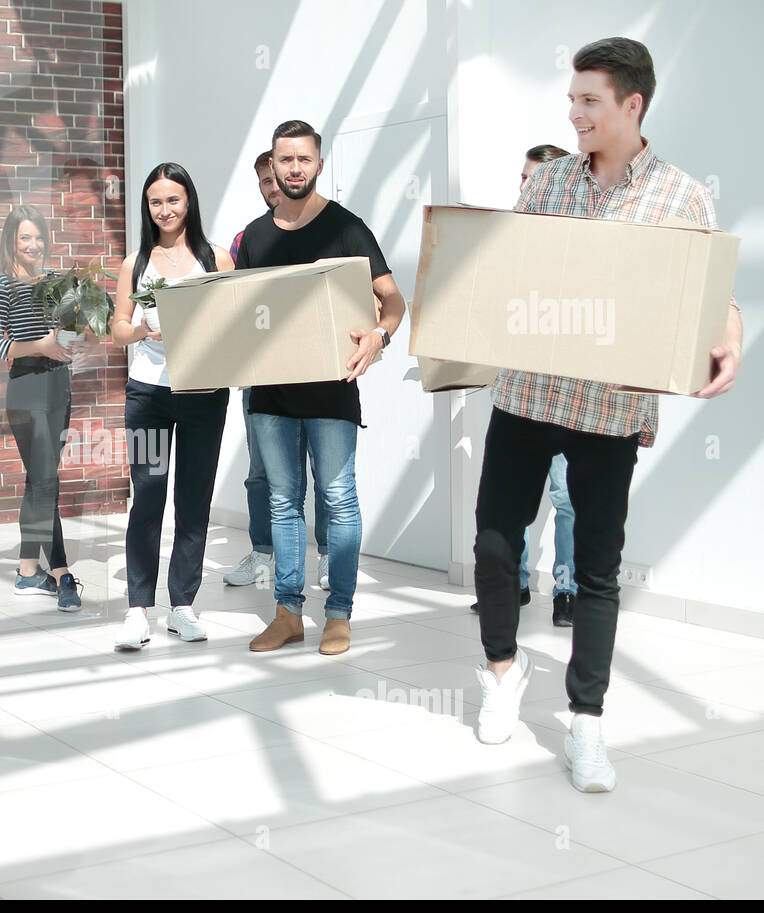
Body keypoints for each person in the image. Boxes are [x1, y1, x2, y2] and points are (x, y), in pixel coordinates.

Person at [471, 39, 742, 794]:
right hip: (527, 395)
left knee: (595, 569)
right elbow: (511, 268)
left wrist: (733, 331)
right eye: (571, 99)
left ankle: (585, 723)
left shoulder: (681, 196)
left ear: (633, 105)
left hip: (609, 406)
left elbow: (710, 289)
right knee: (495, 547)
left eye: (589, 100)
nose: (574, 112)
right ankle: (503, 669)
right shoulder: (549, 182)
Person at [237, 120, 405, 657]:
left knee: (338, 498)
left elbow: (394, 303)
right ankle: (287, 613)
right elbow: (240, 316)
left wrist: (379, 336)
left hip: (333, 391)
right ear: (273, 165)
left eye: (303, 160)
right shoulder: (255, 237)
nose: (293, 169)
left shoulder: (347, 228)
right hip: (270, 395)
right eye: (284, 161)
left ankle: (339, 612)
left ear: (318, 164)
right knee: (283, 502)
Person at [111, 163, 233, 649]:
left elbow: (234, 320)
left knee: (194, 497)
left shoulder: (216, 257)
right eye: (155, 202)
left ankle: (182, 605)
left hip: (203, 392)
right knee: (148, 496)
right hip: (148, 394)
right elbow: (117, 328)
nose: (165, 210)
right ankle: (138, 609)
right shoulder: (135, 263)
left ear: (189, 202)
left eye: (173, 200)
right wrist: (143, 329)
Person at [470, 144, 579, 627]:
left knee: (566, 498)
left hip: (570, 393)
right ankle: (512, 584)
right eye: (521, 178)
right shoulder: (509, 247)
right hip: (519, 393)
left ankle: (568, 590)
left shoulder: (578, 246)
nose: (524, 187)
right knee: (512, 501)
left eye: (533, 179)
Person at [225, 151, 333, 593]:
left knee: (325, 470)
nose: (273, 188)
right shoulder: (246, 239)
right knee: (260, 473)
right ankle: (263, 555)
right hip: (263, 379)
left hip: (317, 372)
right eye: (264, 183)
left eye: (276, 179)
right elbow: (232, 303)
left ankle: (328, 557)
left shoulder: (328, 231)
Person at [0, 205, 88, 612]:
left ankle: (28, 573)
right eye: (24, 237)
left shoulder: (59, 282)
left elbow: (75, 332)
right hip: (26, 386)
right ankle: (61, 573)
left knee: (40, 479)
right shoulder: (2, 285)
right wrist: (40, 346)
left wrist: (81, 329)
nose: (33, 244)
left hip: (60, 385)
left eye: (38, 236)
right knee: (45, 482)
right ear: (11, 240)